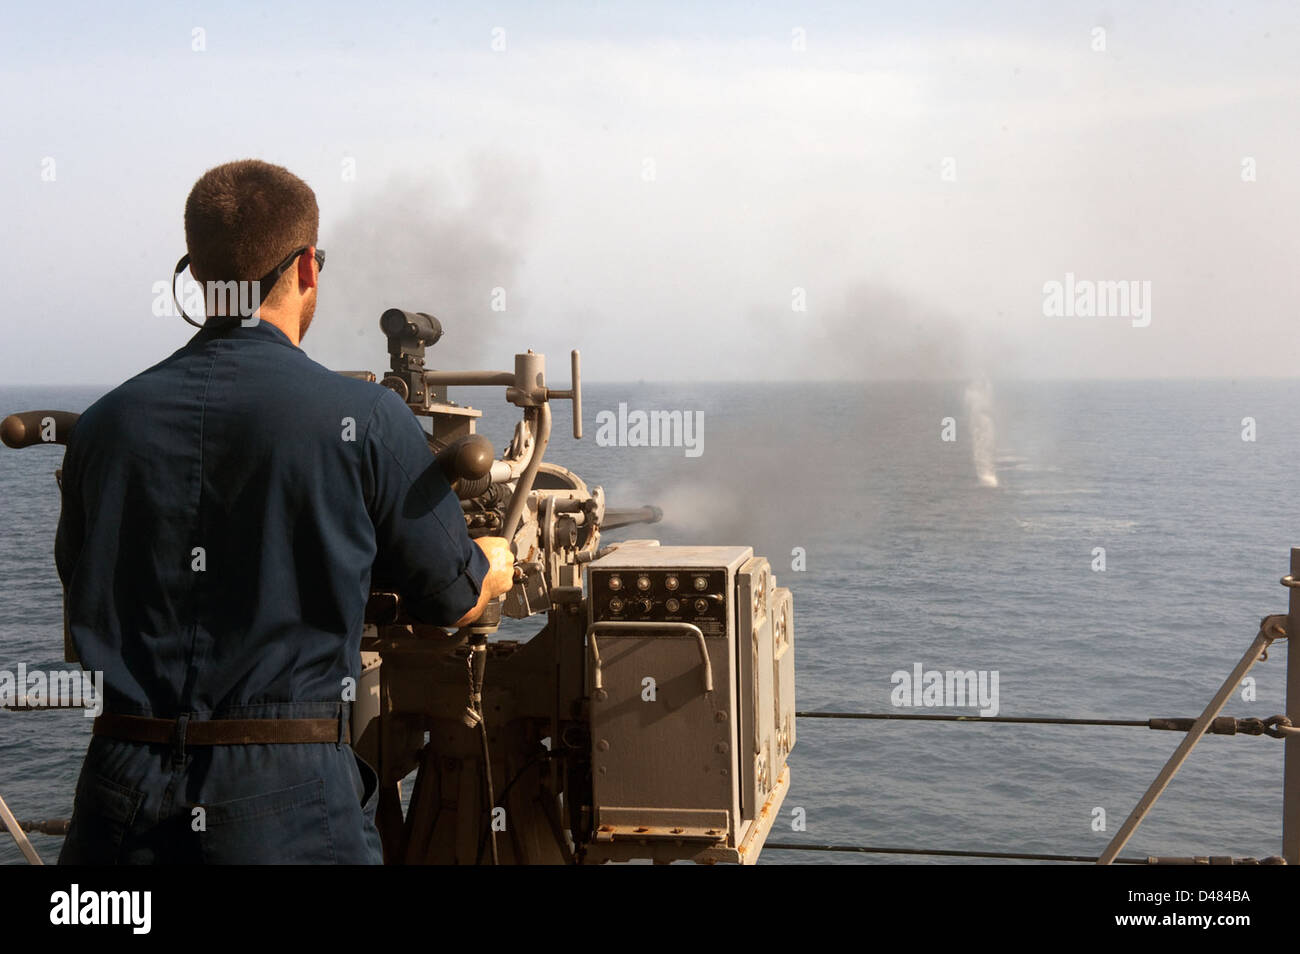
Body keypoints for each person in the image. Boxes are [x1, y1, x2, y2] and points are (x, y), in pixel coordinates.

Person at [54, 159, 514, 864]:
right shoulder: (366, 417)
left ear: (196, 273)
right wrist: (498, 560)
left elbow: (83, 586)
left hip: (120, 787)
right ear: (307, 267)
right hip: (284, 795)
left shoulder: (105, 426)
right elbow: (455, 599)